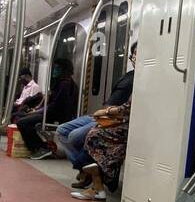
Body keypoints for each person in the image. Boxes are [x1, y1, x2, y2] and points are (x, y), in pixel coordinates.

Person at [57, 42, 136, 188]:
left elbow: (127, 108)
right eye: (134, 54)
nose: (135, 58)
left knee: (77, 136)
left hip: (114, 119)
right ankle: (86, 169)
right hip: (100, 115)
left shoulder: (142, 80)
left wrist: (107, 112)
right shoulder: (128, 75)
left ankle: (90, 173)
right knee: (61, 131)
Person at [16, 62, 77, 158]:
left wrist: (36, 112)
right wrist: (36, 109)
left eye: (57, 68)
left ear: (64, 70)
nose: (54, 70)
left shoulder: (64, 85)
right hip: (53, 113)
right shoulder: (63, 83)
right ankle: (42, 146)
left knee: (22, 122)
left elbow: (54, 106)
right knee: (22, 117)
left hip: (56, 115)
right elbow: (49, 101)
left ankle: (40, 148)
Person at [73, 101, 130, 200]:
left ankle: (89, 176)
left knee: (93, 135)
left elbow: (125, 108)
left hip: (124, 131)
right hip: (123, 125)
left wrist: (106, 111)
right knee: (93, 134)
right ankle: (96, 186)